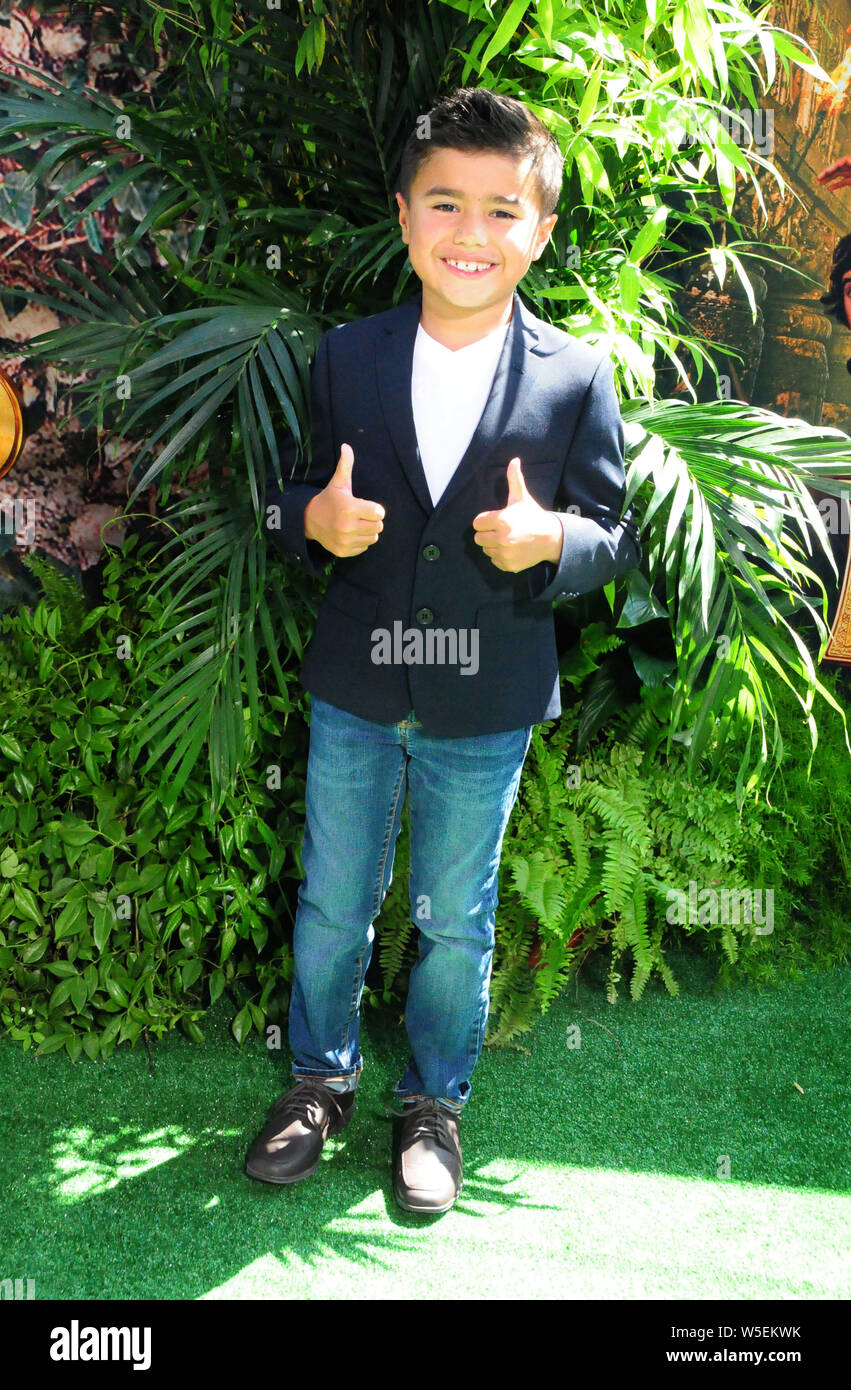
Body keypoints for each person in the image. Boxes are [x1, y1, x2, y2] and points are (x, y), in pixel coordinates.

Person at [246, 86, 642, 1215]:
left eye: (501, 211)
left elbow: (612, 535)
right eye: (445, 205)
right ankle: (316, 1081)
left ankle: (432, 1104)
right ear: (405, 217)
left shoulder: (575, 377)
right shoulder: (345, 356)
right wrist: (308, 526)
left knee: (454, 917)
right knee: (333, 900)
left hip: (487, 694)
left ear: (541, 230)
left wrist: (548, 539)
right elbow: (287, 499)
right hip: (357, 683)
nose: (472, 234)